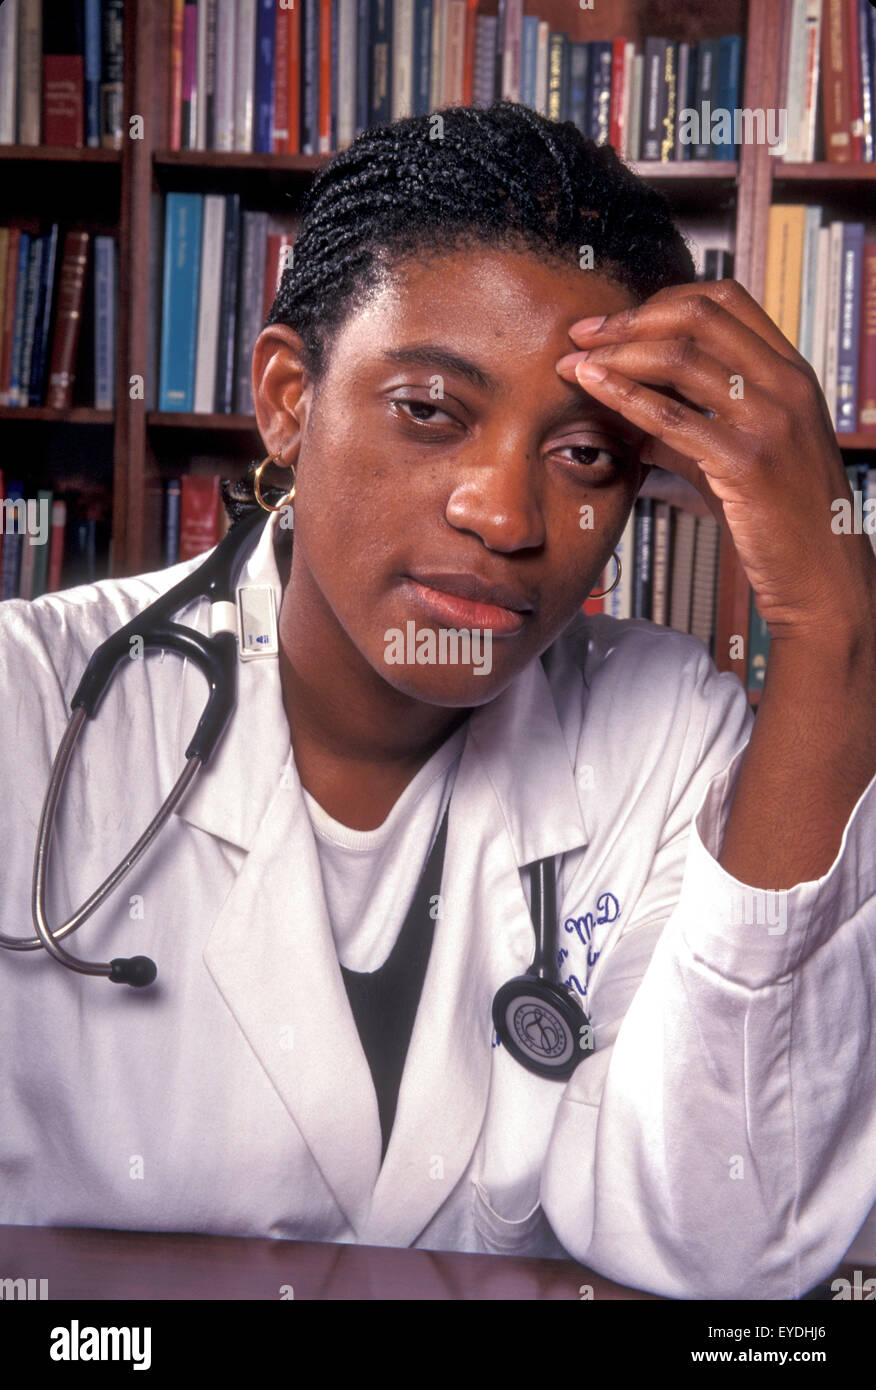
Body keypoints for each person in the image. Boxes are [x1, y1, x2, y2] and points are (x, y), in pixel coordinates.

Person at [0, 103, 874, 1301]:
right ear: (288, 399)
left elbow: (729, 1245)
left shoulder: (671, 735)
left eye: (585, 457)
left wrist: (834, 629)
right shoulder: (28, 706)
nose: (506, 518)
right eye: (429, 410)